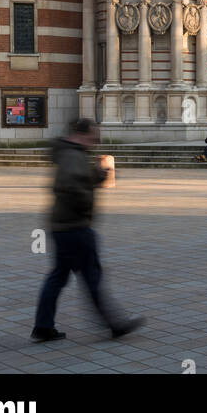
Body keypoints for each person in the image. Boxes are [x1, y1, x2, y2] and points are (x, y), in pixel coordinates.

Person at [31, 117, 145, 342]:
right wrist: (86, 205)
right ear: (81, 135)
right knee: (91, 277)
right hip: (75, 226)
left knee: (58, 276)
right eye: (93, 136)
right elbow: (68, 187)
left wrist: (96, 177)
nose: (95, 141)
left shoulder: (71, 153)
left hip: (63, 225)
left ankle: (43, 326)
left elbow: (77, 180)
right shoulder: (73, 156)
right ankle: (115, 324)